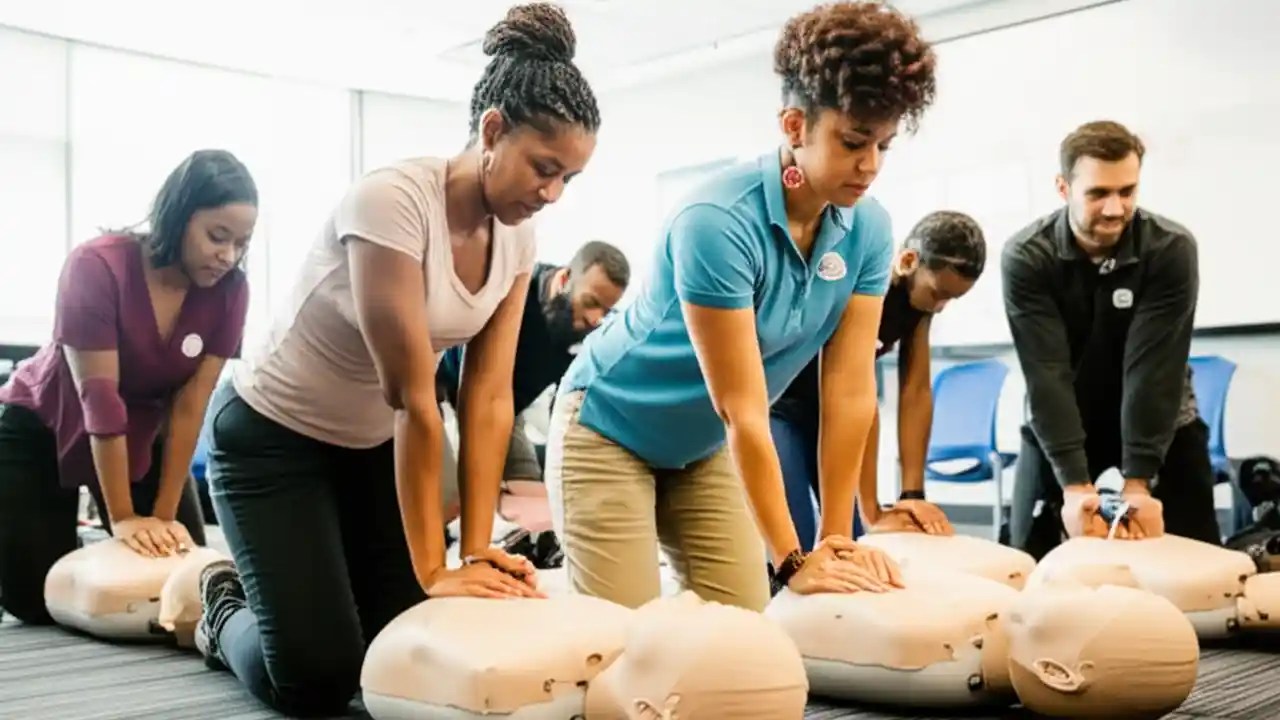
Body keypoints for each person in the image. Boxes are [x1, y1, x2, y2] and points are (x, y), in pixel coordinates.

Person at [192, 4, 601, 716]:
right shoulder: (391, 202)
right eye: (544, 168)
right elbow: (412, 394)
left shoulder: (519, 240)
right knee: (319, 676)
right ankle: (221, 609)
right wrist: (434, 567)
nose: (551, 193)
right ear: (493, 129)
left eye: (568, 178)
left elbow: (487, 398)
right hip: (269, 438)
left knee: (399, 643)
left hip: (365, 448)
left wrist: (473, 550)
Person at [544, 1, 938, 613]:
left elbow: (851, 389)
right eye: (854, 142)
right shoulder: (717, 221)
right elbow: (745, 411)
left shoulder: (869, 229)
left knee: (742, 627)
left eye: (884, 145)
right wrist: (792, 558)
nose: (870, 166)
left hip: (698, 447)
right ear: (793, 126)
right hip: (608, 428)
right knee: (626, 636)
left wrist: (834, 537)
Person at [0, 149, 256, 624]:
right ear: (178, 215)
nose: (229, 255)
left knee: (181, 583)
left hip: (142, 433)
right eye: (217, 237)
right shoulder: (95, 266)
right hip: (45, 423)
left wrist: (161, 516)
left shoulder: (230, 290)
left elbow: (189, 408)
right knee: (34, 601)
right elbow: (99, 400)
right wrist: (122, 520)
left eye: (242, 242)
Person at [1002, 120, 1221, 560]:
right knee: (1025, 561)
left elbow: (1154, 368)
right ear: (1063, 188)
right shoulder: (1027, 256)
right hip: (1066, 411)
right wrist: (1074, 487)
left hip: (1160, 416)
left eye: (1127, 191)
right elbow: (1046, 372)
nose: (1115, 208)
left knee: (1201, 564)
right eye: (1098, 193)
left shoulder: (1171, 249)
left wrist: (1138, 481)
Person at [771, 211, 987, 550]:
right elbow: (857, 397)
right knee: (792, 542)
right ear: (908, 260)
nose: (941, 306)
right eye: (938, 293)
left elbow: (915, 391)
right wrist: (871, 507)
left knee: (850, 543)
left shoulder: (919, 306)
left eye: (951, 299)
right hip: (781, 409)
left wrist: (911, 494)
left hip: (833, 414)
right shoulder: (865, 287)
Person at [435, 239, 629, 504]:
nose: (595, 317)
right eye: (590, 301)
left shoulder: (589, 332)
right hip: (447, 385)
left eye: (604, 310)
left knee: (530, 494)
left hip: (507, 410)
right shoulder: (516, 291)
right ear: (563, 279)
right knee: (448, 497)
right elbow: (467, 385)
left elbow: (568, 405)